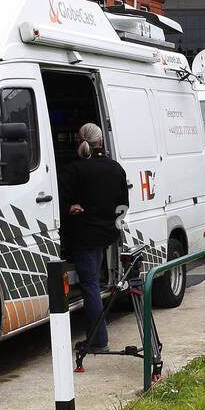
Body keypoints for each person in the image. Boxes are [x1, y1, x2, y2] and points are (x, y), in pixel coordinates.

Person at [57, 123, 129, 352]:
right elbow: (123, 205)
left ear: (80, 141)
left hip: (84, 237)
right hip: (107, 235)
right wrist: (111, 225)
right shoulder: (115, 168)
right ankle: (97, 336)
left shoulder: (74, 170)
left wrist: (70, 208)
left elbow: (60, 202)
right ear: (101, 142)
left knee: (90, 286)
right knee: (94, 283)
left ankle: (98, 340)